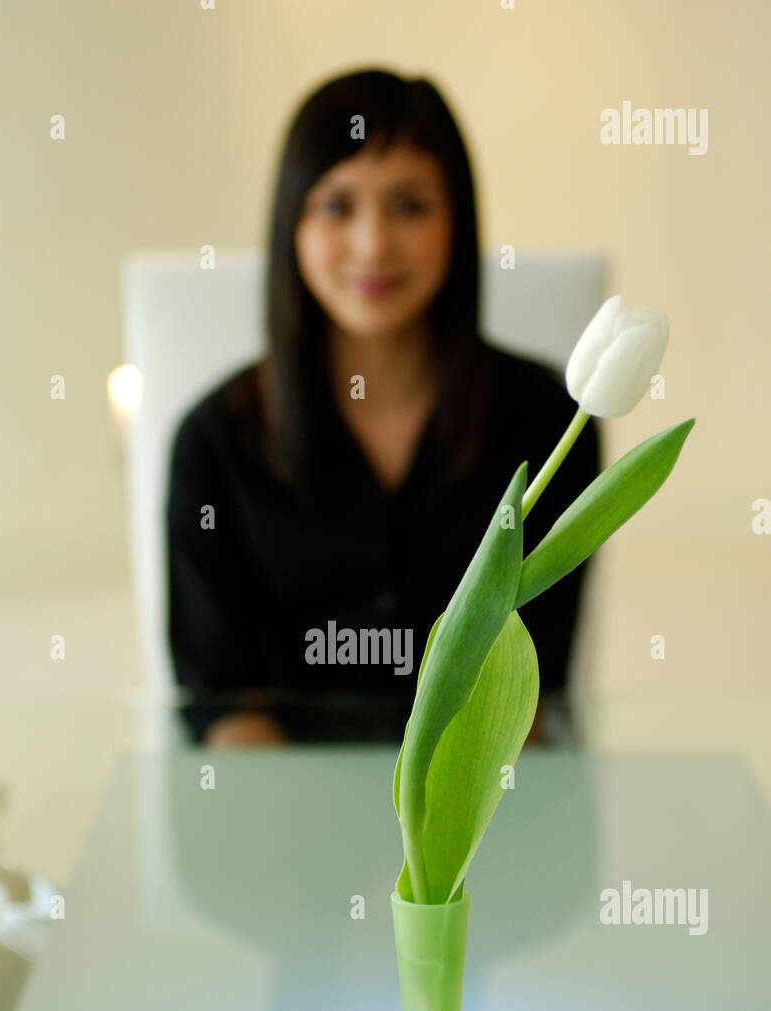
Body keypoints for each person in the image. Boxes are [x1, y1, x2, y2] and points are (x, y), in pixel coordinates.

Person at [166, 68, 600, 748]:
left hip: (478, 814)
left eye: (408, 206)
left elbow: (531, 692)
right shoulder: (214, 441)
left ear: (457, 220)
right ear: (292, 226)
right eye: (336, 206)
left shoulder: (548, 420)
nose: (372, 244)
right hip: (281, 814)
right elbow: (221, 701)